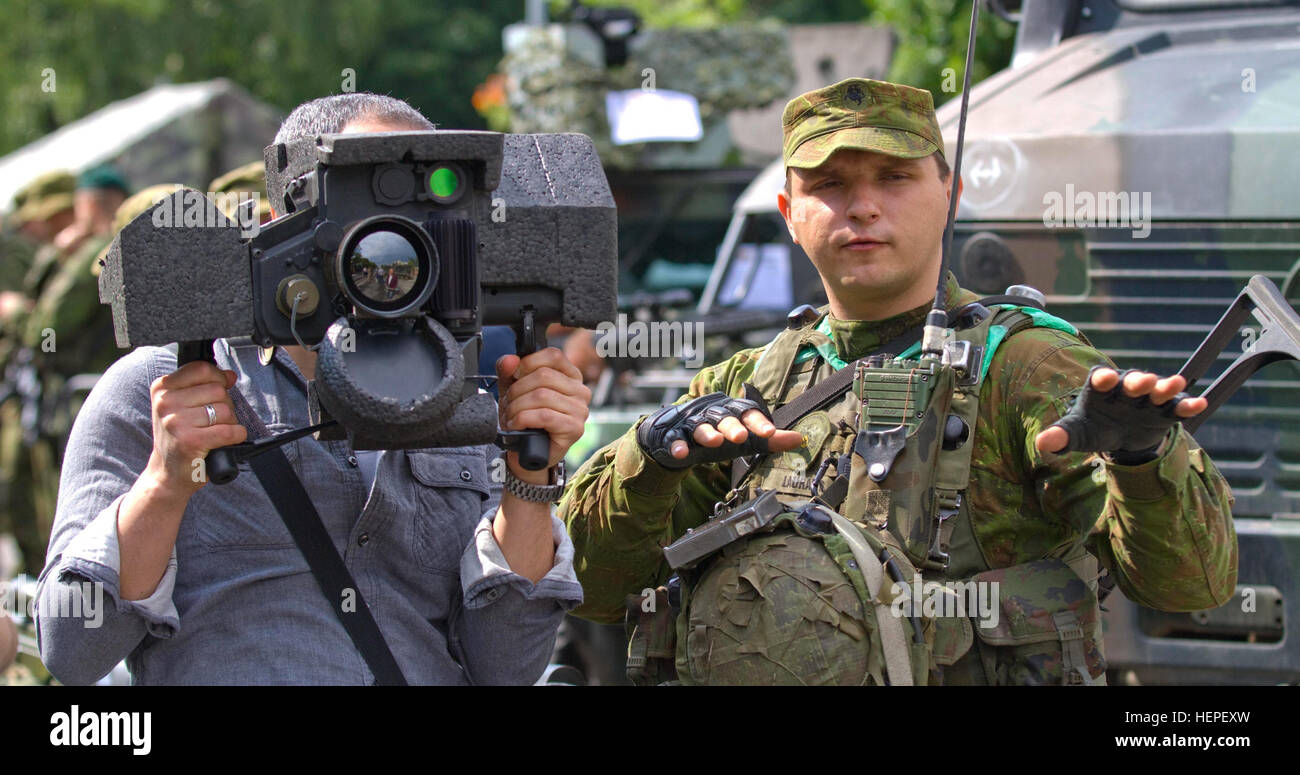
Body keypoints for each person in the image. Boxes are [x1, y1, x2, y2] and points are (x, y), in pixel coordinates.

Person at [558, 78, 1237, 686]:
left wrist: (1144, 459)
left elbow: (1192, 583)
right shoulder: (748, 381)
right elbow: (590, 590)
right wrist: (641, 461)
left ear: (951, 193)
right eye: (829, 186)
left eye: (894, 178)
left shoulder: (1026, 365)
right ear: (789, 211)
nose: (863, 207)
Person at [36, 93, 589, 685]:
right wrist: (166, 485)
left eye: (421, 227)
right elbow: (74, 651)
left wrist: (529, 482)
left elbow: (505, 668)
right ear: (279, 232)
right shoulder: (156, 392)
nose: (389, 256)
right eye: (365, 216)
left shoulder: (471, 401)